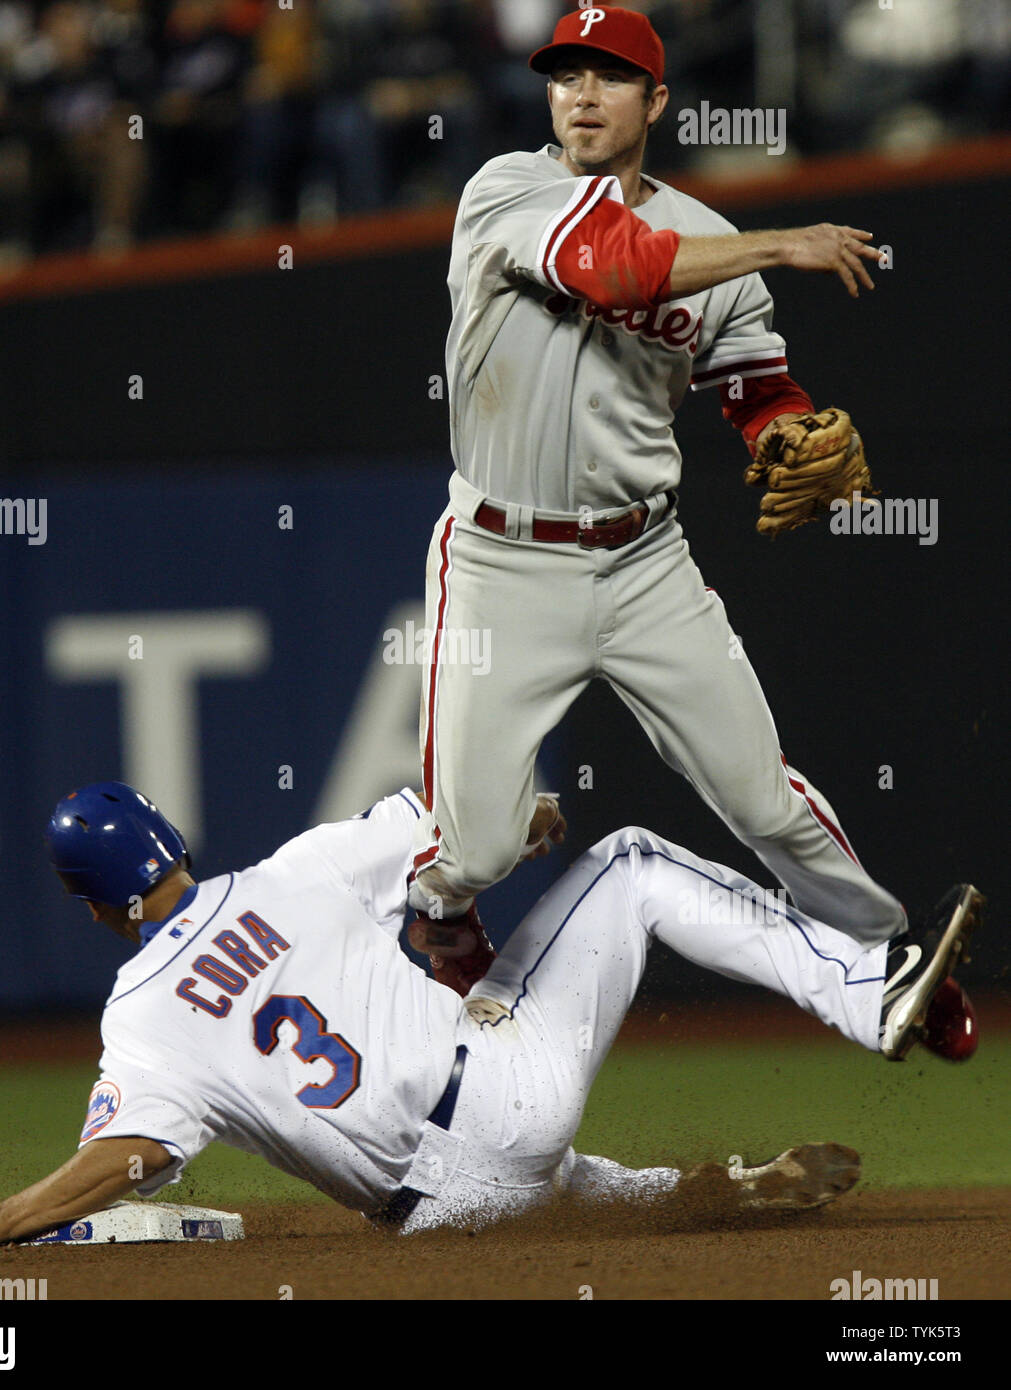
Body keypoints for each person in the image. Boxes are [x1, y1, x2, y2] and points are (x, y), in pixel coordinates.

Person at [403, 7, 975, 1057]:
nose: (581, 94)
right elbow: (615, 268)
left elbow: (755, 388)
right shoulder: (505, 192)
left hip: (642, 561)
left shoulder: (711, 239)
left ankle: (889, 957)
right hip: (500, 559)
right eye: (565, 74)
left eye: (609, 77)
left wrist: (785, 429)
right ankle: (438, 911)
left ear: (654, 102)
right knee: (477, 845)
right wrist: (788, 238)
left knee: (765, 797)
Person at [0, 780, 981, 1249]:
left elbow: (129, 1155)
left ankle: (705, 1193)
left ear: (92, 906)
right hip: (507, 1097)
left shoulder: (139, 1019)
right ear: (172, 840)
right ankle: (867, 992)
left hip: (434, 1216)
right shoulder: (301, 870)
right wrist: (520, 824)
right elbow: (480, 818)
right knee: (635, 863)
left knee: (523, 1172)